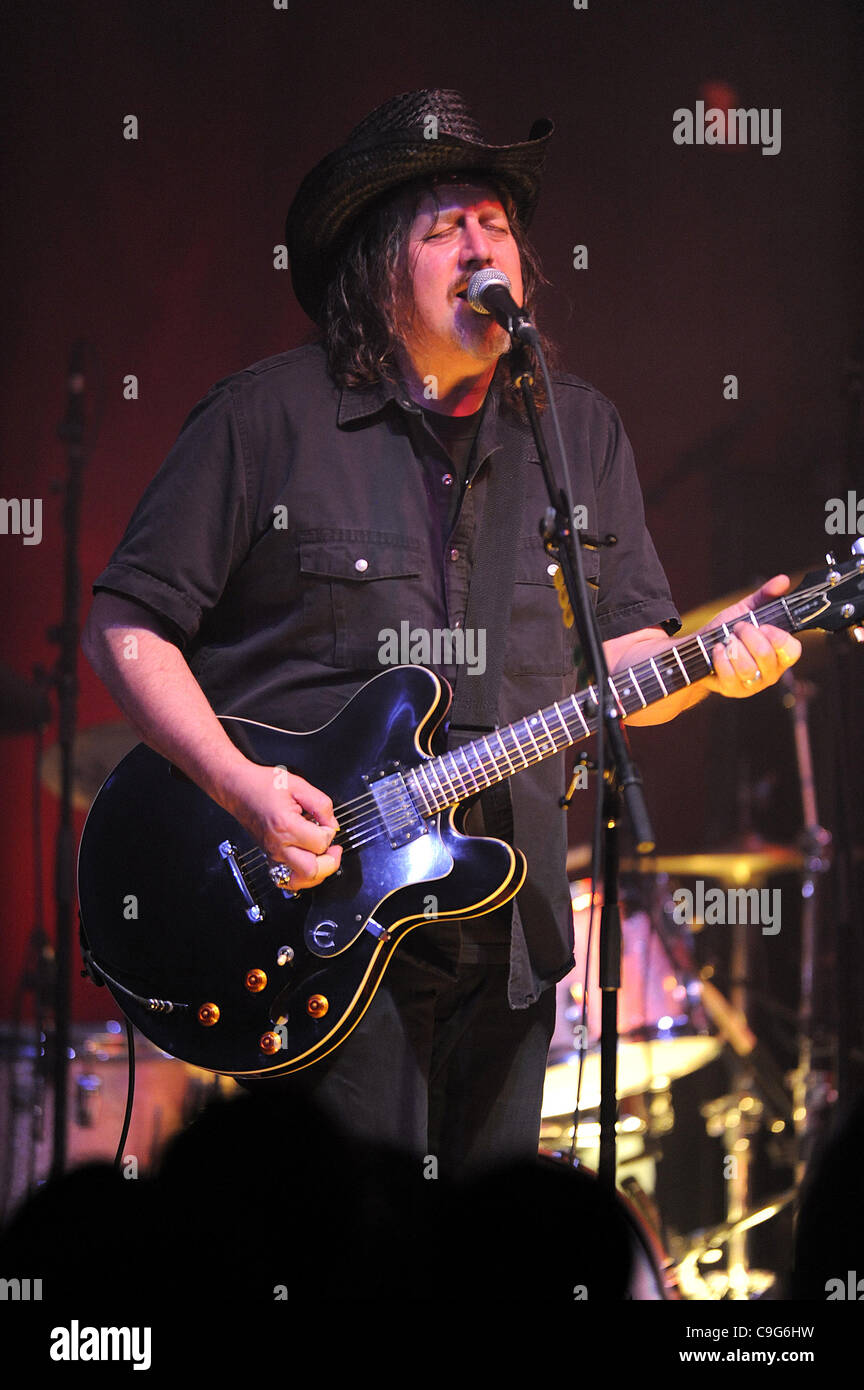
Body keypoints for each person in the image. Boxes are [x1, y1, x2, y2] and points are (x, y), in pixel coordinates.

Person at [81, 89, 801, 1179]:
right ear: (381, 264)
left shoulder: (578, 431)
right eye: (446, 225)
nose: (483, 243)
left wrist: (721, 660)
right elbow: (129, 621)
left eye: (498, 222)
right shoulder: (267, 420)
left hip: (509, 932)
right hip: (316, 918)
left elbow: (619, 662)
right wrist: (241, 786)